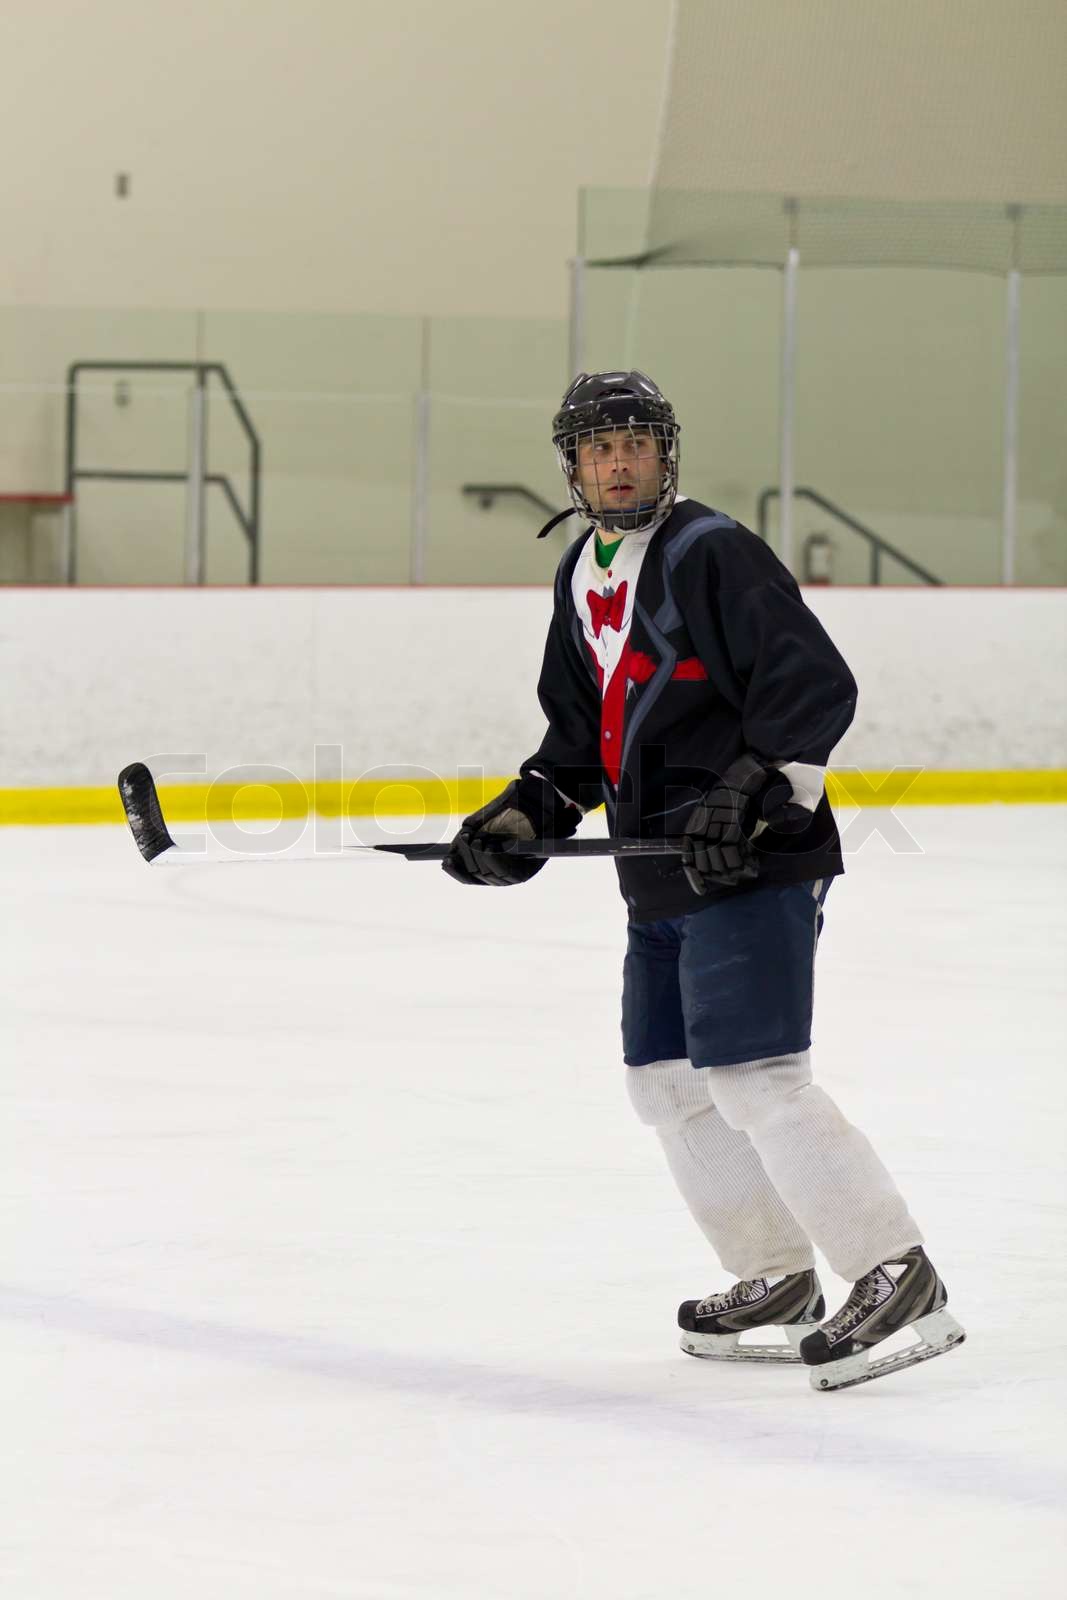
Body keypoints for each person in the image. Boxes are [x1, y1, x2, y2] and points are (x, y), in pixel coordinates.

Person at [443, 371, 964, 1391]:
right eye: (599, 448)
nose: (619, 461)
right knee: (666, 1085)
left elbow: (811, 684)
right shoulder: (578, 576)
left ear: (664, 453)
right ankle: (772, 1274)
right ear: (572, 466)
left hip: (755, 864)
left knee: (754, 1080)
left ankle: (891, 1270)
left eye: (635, 442)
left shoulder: (709, 551)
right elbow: (579, 738)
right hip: (657, 873)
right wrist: (524, 813)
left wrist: (755, 789)